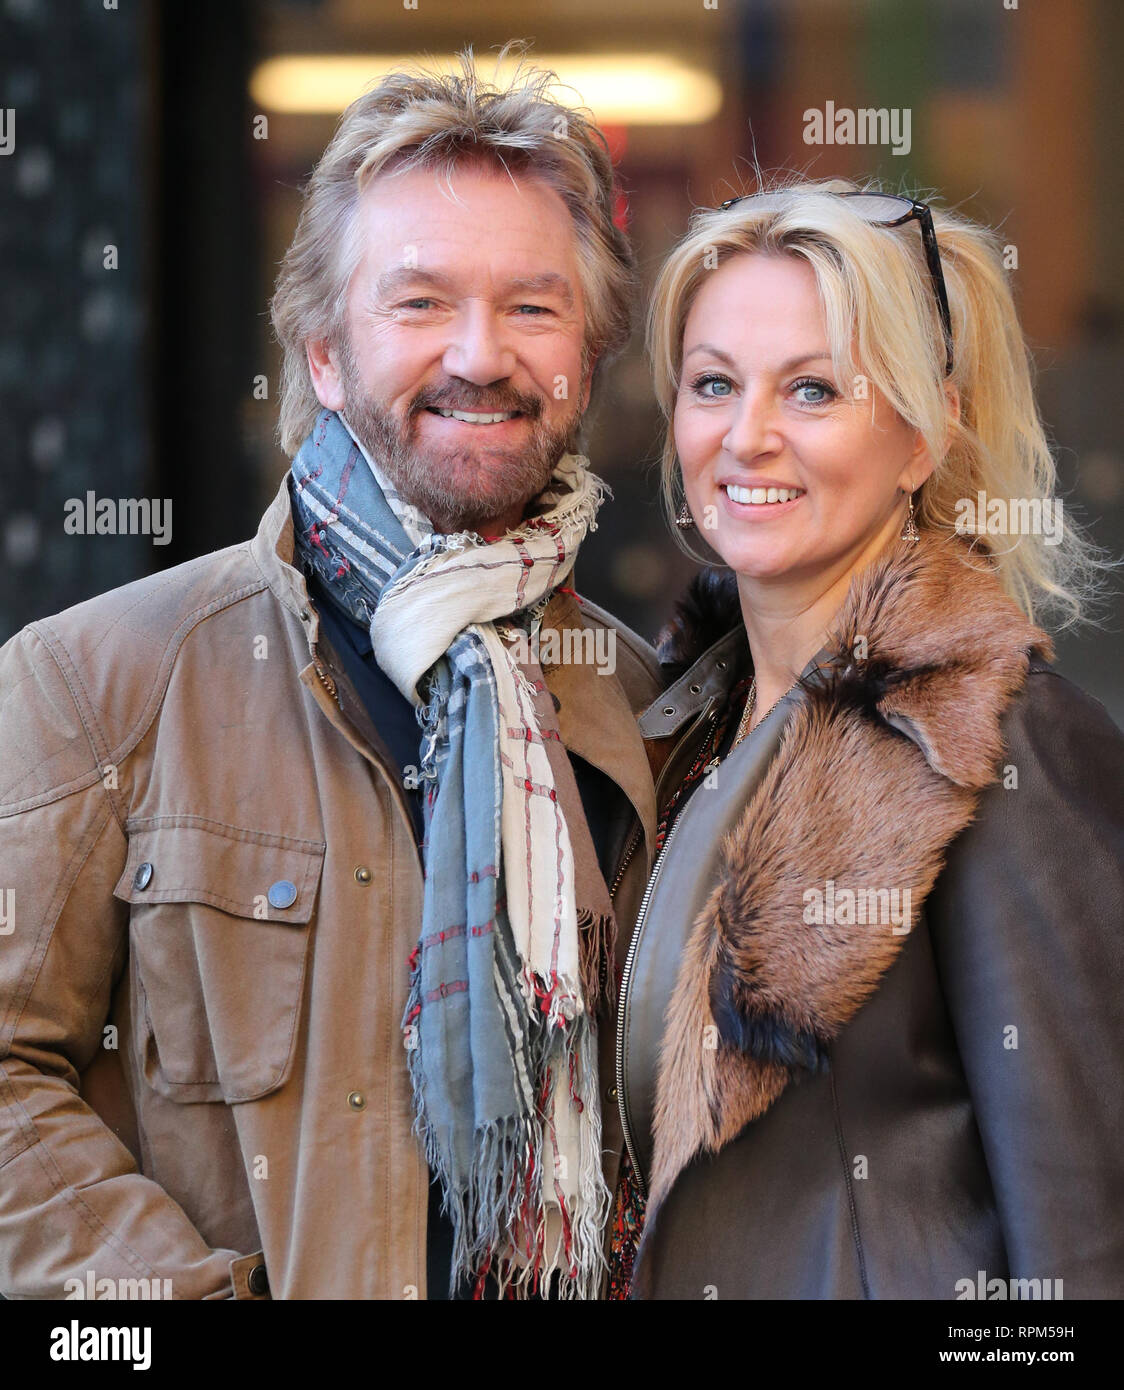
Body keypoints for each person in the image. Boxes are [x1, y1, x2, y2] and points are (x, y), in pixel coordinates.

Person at [0, 47, 662, 1301]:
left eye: (532, 306)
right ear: (318, 351)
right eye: (418, 304)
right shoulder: (100, 682)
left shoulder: (634, 708)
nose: (481, 354)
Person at [608, 177, 1124, 1299]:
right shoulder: (677, 731)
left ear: (923, 435)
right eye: (711, 384)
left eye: (811, 389)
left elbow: (1084, 1239)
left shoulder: (991, 733)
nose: (747, 436)